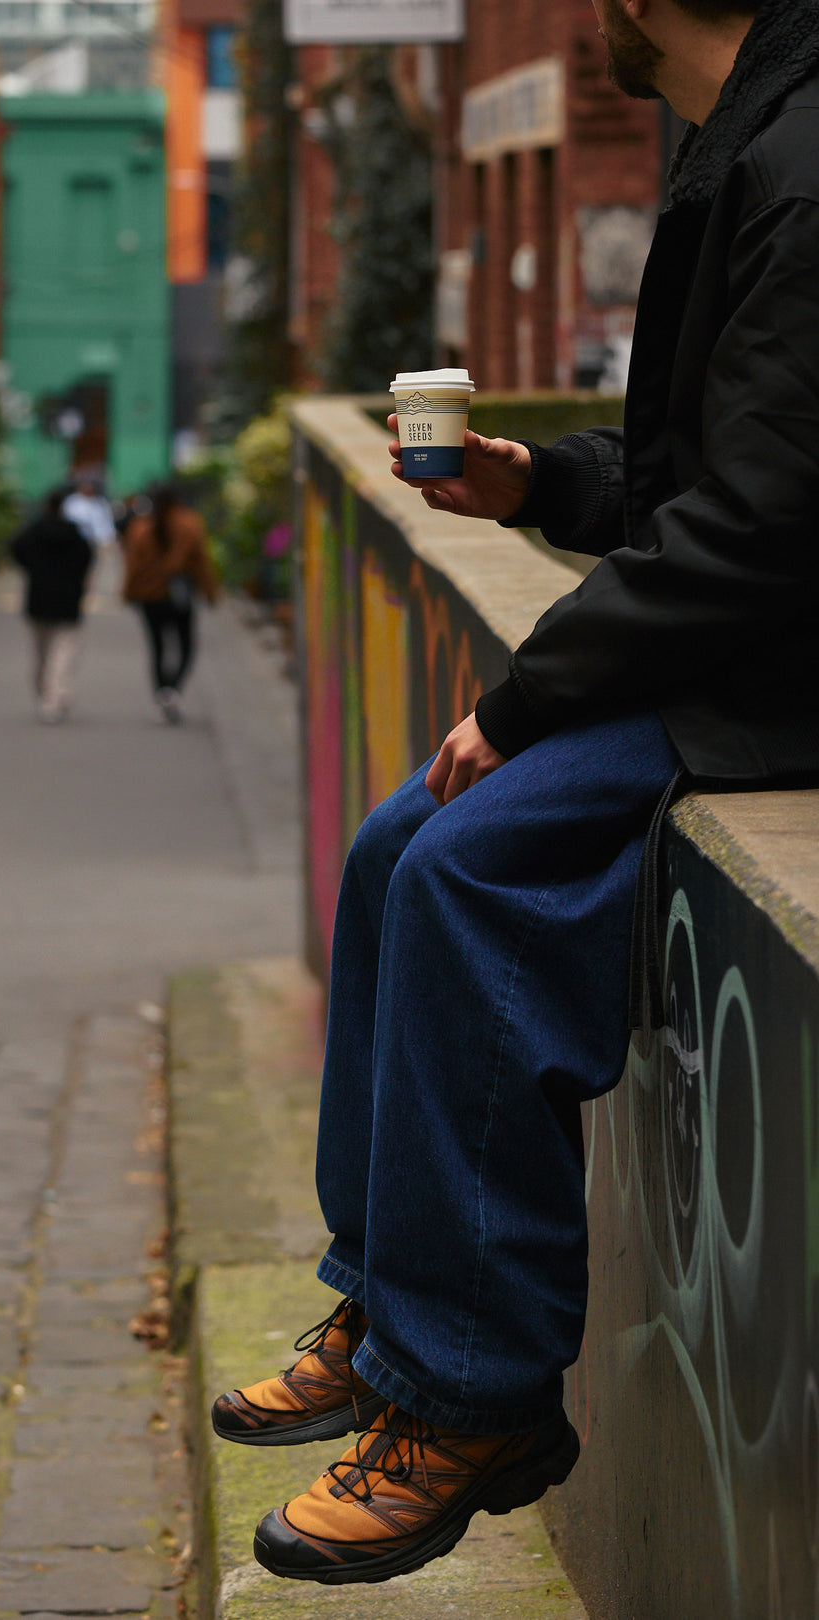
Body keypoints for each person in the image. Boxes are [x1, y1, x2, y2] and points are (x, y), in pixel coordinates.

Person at [212, 0, 819, 1587]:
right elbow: (704, 476)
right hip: (733, 648)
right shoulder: (745, 134)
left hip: (769, 678)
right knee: (394, 840)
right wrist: (532, 480)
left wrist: (522, 697)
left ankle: (470, 1394)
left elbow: (758, 535)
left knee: (469, 870)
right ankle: (389, 1295)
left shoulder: (804, 166)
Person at [121, 482, 219, 723]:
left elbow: (132, 565)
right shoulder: (190, 523)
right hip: (179, 596)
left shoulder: (140, 528)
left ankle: (162, 689)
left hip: (149, 597)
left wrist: (128, 592)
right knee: (186, 645)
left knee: (157, 647)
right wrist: (210, 591)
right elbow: (201, 561)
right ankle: (173, 688)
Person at [10, 491, 93, 723]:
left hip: (38, 598)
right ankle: (55, 696)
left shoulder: (32, 531)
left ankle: (44, 693)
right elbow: (87, 559)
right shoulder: (76, 535)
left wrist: (34, 569)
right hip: (68, 600)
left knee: (41, 653)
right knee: (63, 651)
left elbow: (15, 549)